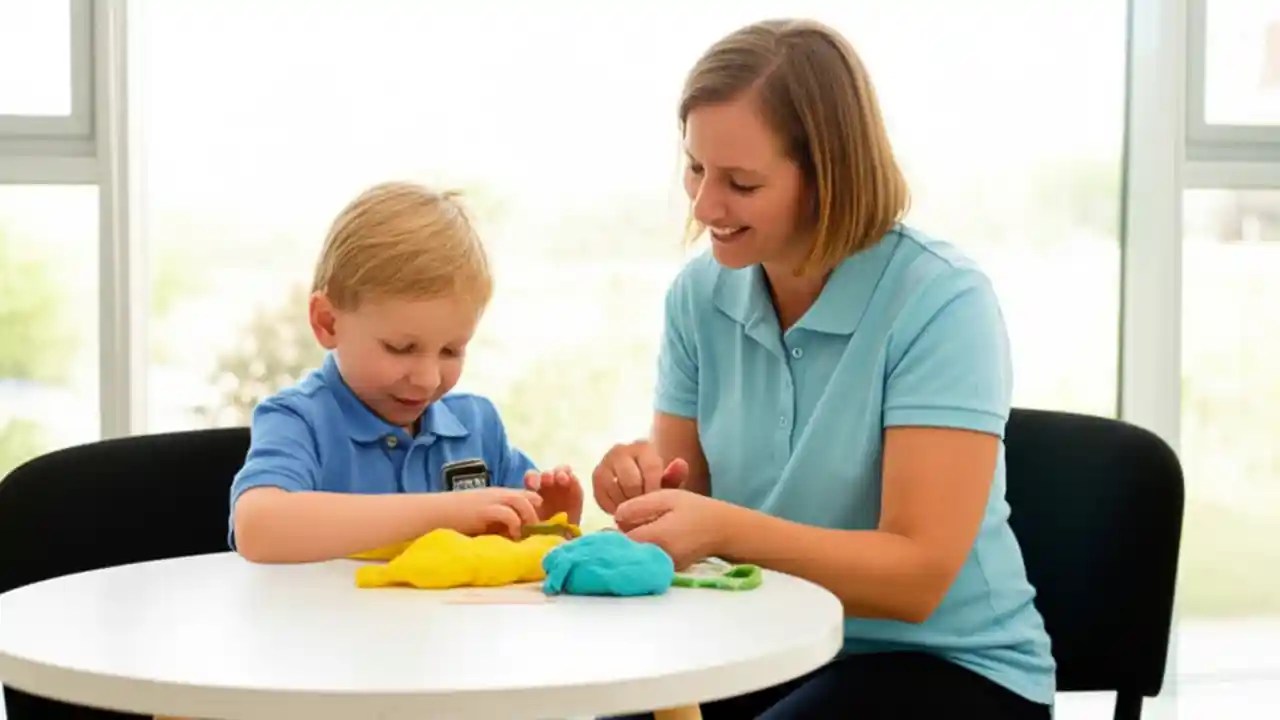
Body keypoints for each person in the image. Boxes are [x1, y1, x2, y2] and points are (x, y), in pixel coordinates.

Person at [593, 18, 1055, 719]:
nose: (705, 205)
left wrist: (719, 528)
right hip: (766, 644)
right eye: (696, 168)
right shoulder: (699, 296)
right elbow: (688, 498)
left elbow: (917, 577)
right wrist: (642, 489)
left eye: (741, 183)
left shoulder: (940, 300)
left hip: (943, 665)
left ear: (828, 178)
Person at [229, 181, 583, 563]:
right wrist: (446, 513)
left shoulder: (478, 425)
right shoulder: (298, 420)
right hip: (330, 624)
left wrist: (548, 519)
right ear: (328, 323)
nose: (429, 379)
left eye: (451, 350)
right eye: (401, 348)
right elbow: (258, 529)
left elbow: (519, 545)